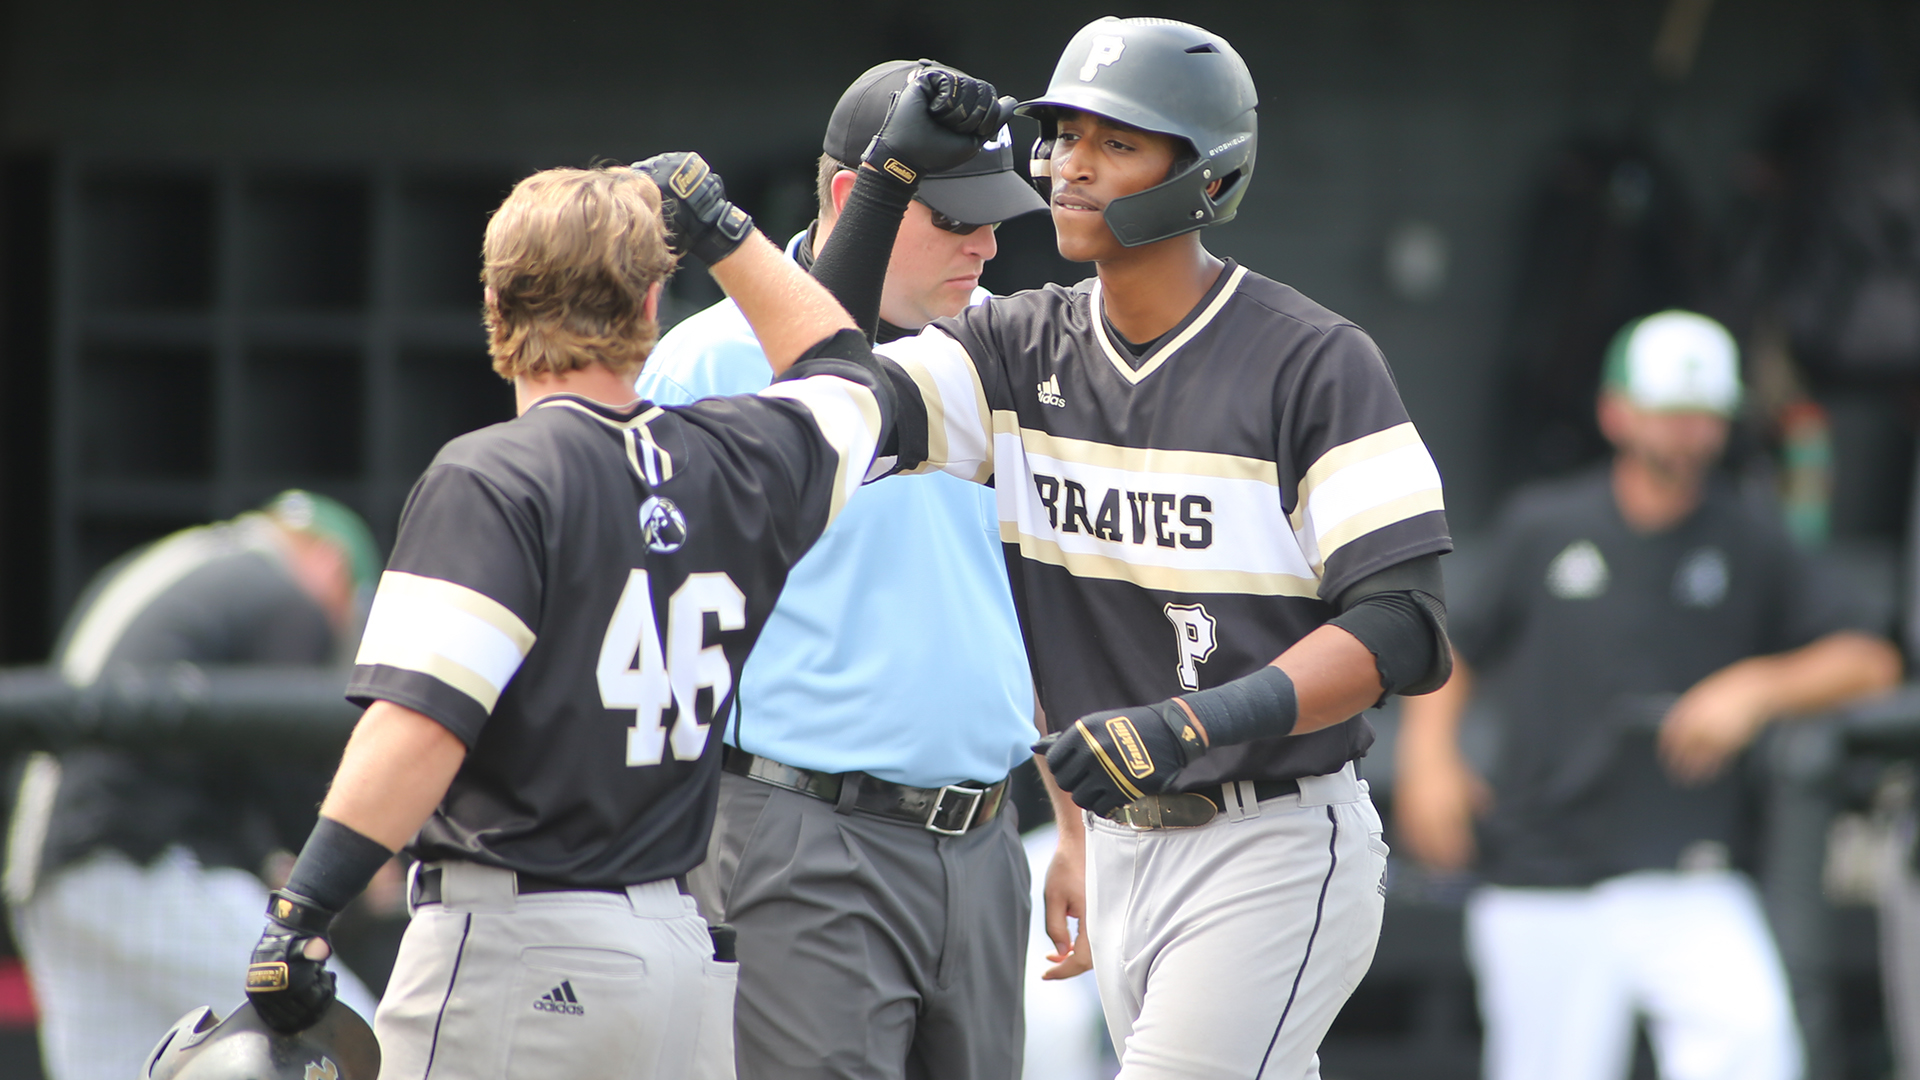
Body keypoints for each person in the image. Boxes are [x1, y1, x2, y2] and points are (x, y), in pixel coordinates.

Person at [236, 72, 1014, 1080]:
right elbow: (847, 371)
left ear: (495, 298)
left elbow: (423, 720)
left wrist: (304, 909)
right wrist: (740, 227)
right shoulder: (731, 454)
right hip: (677, 956)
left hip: (516, 939)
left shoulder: (494, 473)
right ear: (653, 299)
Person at [807, 17, 1455, 1078]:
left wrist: (1191, 723)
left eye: (1117, 144)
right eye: (1062, 137)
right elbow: (821, 398)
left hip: (1273, 839)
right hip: (1119, 848)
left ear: (1202, 174)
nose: (1070, 169)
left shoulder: (1314, 361)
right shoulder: (1012, 345)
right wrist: (884, 177)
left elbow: (1402, 627)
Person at [634, 57, 1046, 1080]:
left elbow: (1034, 601)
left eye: (994, 217)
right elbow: (649, 620)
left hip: (989, 838)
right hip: (803, 834)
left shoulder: (1011, 346)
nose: (988, 244)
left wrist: (1069, 829)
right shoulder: (709, 359)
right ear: (855, 195)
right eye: (956, 219)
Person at [1394, 310, 1902, 1080]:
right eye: (1670, 411)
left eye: (1706, 415)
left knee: (1753, 1046)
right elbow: (1453, 644)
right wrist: (1429, 757)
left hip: (1688, 870)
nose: (1688, 435)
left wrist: (1758, 686)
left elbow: (1871, 660)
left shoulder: (1750, 536)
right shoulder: (1546, 524)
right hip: (1542, 864)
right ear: (1617, 412)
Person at [3, 490, 384, 1080]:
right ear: (331, 565)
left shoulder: (188, 562)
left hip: (50, 877)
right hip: (145, 863)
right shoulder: (283, 592)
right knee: (355, 1041)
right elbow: (286, 762)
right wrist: (355, 864)